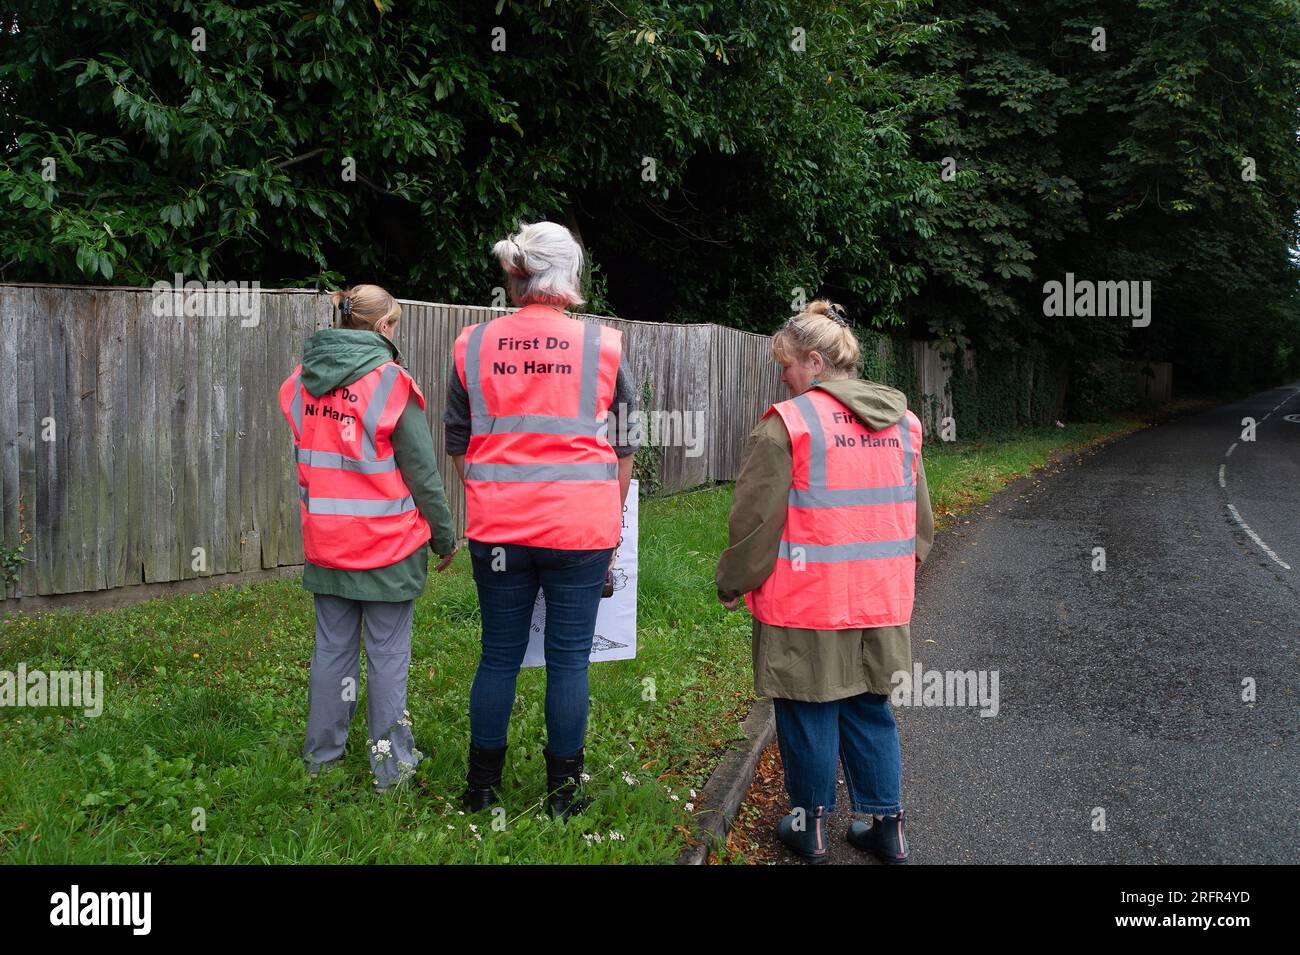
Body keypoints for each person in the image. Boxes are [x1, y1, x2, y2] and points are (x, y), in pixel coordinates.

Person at [715, 299, 935, 864]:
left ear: (814, 362)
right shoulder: (903, 423)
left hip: (806, 601)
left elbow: (756, 519)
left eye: (785, 365)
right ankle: (885, 827)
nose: (782, 376)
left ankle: (808, 826)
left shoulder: (789, 424)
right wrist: (896, 573)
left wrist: (735, 579)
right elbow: (920, 522)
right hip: (880, 599)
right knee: (869, 706)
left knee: (806, 704)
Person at [444, 221, 638, 819]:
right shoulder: (603, 345)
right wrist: (609, 521)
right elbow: (626, 444)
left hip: (498, 530)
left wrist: (487, 495)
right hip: (580, 531)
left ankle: (482, 789)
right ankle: (563, 795)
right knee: (569, 659)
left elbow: (458, 438)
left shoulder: (472, 344)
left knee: (498, 655)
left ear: (515, 273)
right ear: (570, 274)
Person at [279, 284, 459, 793]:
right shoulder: (390, 385)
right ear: (383, 328)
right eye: (395, 323)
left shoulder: (301, 381)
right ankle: (391, 767)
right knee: (386, 657)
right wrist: (444, 537)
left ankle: (321, 761)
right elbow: (422, 474)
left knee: (331, 653)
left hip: (327, 544)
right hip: (387, 548)